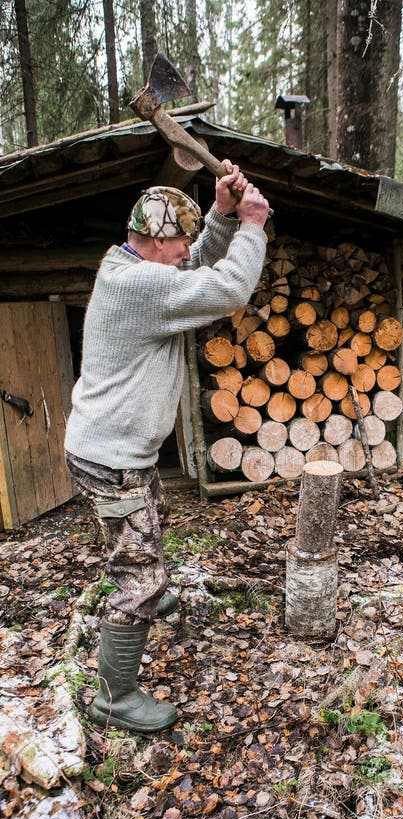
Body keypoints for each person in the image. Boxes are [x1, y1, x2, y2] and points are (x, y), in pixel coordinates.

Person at [64, 162, 269, 734]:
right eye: (179, 241)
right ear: (155, 240)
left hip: (113, 448)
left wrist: (221, 216)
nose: (187, 250)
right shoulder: (140, 284)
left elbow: (194, 263)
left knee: (145, 526)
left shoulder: (134, 266)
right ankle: (114, 697)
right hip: (112, 457)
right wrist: (252, 226)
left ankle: (145, 579)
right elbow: (226, 286)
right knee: (139, 574)